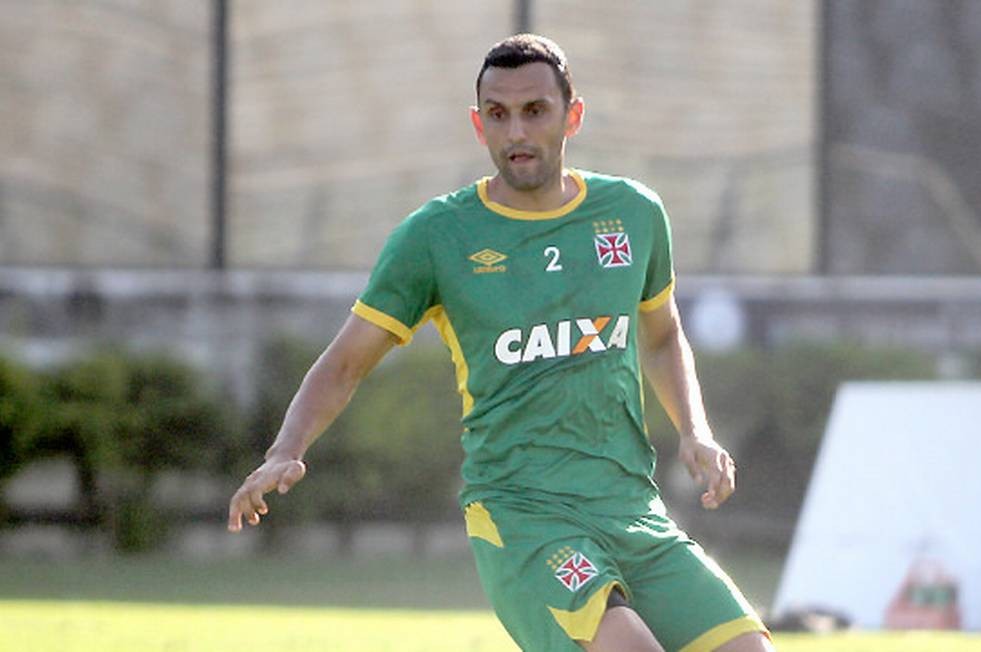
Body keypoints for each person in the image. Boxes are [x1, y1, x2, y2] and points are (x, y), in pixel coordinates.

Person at [228, 33, 774, 652]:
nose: (516, 132)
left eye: (535, 110)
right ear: (478, 123)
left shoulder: (635, 214)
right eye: (498, 114)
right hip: (523, 515)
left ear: (573, 115)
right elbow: (346, 361)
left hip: (631, 508)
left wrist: (695, 431)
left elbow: (663, 333)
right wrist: (285, 447)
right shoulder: (437, 236)